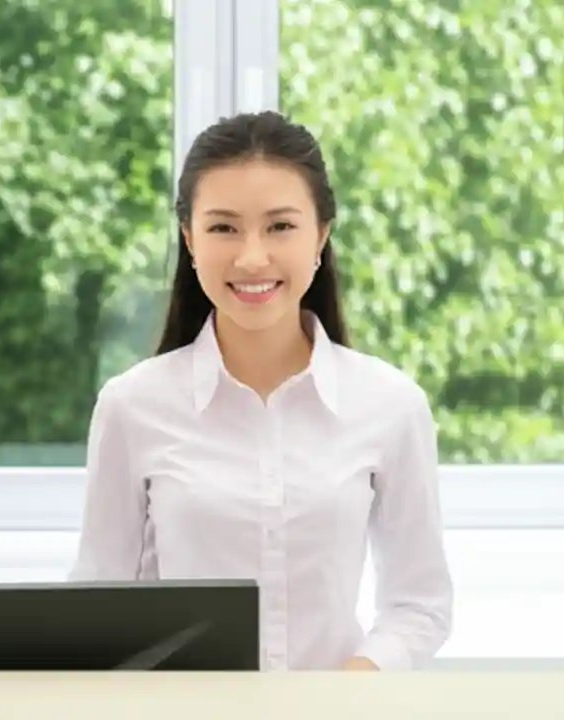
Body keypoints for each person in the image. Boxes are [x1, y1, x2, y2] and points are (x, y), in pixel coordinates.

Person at [68, 111, 453, 672]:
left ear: (320, 235)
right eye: (223, 227)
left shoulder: (391, 405)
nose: (252, 257)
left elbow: (420, 606)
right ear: (189, 239)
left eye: (280, 227)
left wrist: (349, 687)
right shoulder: (133, 406)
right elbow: (98, 602)